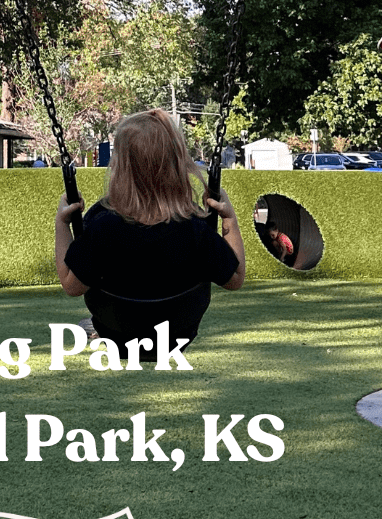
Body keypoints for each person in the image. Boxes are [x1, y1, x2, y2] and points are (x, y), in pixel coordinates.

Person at [53, 108, 244, 357]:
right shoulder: (196, 228)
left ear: (120, 170)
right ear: (178, 166)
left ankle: (96, 329)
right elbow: (235, 278)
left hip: (116, 333)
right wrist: (229, 219)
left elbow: (71, 285)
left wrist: (62, 224)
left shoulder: (103, 227)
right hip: (175, 336)